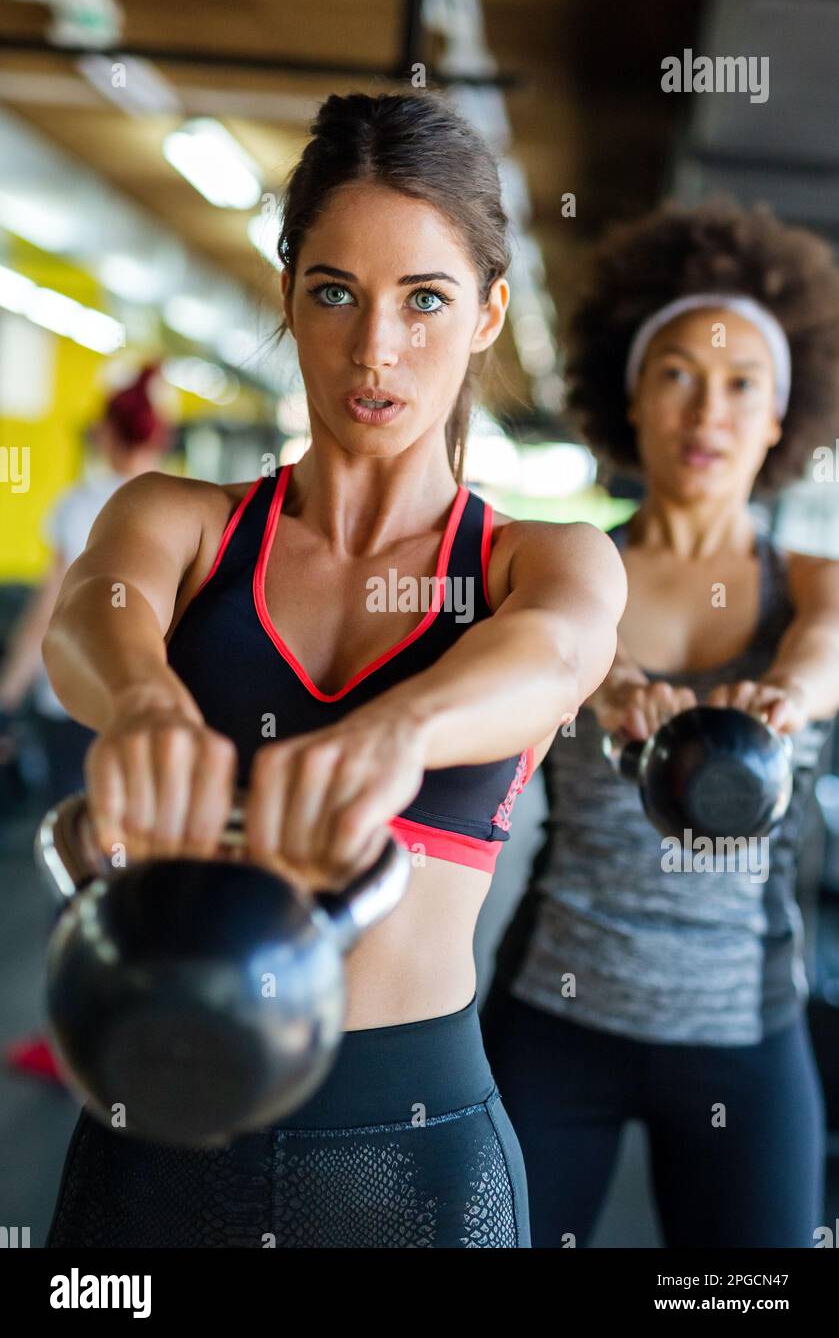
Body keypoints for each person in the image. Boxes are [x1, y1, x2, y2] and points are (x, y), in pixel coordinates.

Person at [40, 90, 625, 1249]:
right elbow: (88, 619)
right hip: (156, 1118)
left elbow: (557, 653)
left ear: (488, 313)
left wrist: (393, 735)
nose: (375, 350)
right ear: (287, 295)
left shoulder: (537, 561)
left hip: (410, 1161)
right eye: (334, 293)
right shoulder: (184, 520)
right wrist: (149, 702)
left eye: (424, 300)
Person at [481, 197, 839, 1249]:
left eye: (741, 385)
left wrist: (784, 694)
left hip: (741, 1033)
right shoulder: (557, 572)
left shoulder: (809, 583)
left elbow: (827, 648)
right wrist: (594, 672)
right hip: (554, 1012)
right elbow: (542, 637)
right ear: (628, 395)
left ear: (779, 415)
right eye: (675, 373)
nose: (706, 412)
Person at [1, 366, 170, 1083]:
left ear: (105, 431)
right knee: (143, 860)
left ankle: (70, 1035)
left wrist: (5, 696)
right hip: (149, 712)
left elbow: (46, 613)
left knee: (74, 860)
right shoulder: (181, 503)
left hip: (74, 707)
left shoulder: (80, 504)